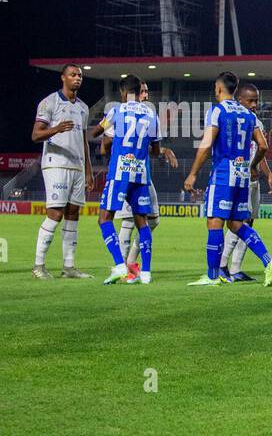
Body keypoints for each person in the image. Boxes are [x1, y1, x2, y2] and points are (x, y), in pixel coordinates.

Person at [182, 71, 272, 286]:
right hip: (243, 175)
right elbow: (263, 146)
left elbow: (206, 145)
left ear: (218, 88)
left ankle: (212, 276)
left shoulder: (217, 111)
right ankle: (268, 261)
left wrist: (192, 173)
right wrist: (252, 165)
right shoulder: (249, 115)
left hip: (223, 175)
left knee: (214, 223)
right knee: (237, 224)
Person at [105, 80, 178, 276]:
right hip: (125, 174)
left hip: (143, 175)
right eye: (142, 91)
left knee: (152, 220)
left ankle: (128, 262)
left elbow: (149, 147)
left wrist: (161, 149)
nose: (145, 95)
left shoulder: (148, 117)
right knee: (128, 221)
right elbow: (107, 144)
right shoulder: (121, 113)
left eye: (147, 92)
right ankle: (123, 266)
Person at [92, 75, 160, 284]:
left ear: (122, 92)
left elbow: (97, 133)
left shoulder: (117, 111)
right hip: (141, 174)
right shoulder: (151, 115)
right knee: (143, 223)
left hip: (119, 173)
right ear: (139, 90)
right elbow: (156, 152)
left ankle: (120, 266)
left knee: (104, 218)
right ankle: (146, 273)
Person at [32, 64, 95, 278]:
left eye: (80, 75)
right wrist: (56, 129)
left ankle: (69, 267)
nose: (77, 78)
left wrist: (88, 170)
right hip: (56, 163)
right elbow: (35, 135)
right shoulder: (49, 102)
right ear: (63, 77)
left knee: (73, 213)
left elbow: (84, 141)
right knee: (55, 213)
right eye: (73, 75)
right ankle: (38, 266)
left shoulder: (84, 108)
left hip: (77, 166)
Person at [220, 83, 272, 282]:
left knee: (249, 222)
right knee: (239, 223)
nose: (255, 104)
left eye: (257, 100)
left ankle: (235, 269)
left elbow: (259, 153)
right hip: (239, 179)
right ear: (240, 100)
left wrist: (268, 174)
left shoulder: (255, 122)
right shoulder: (236, 120)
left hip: (253, 180)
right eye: (251, 100)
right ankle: (222, 265)